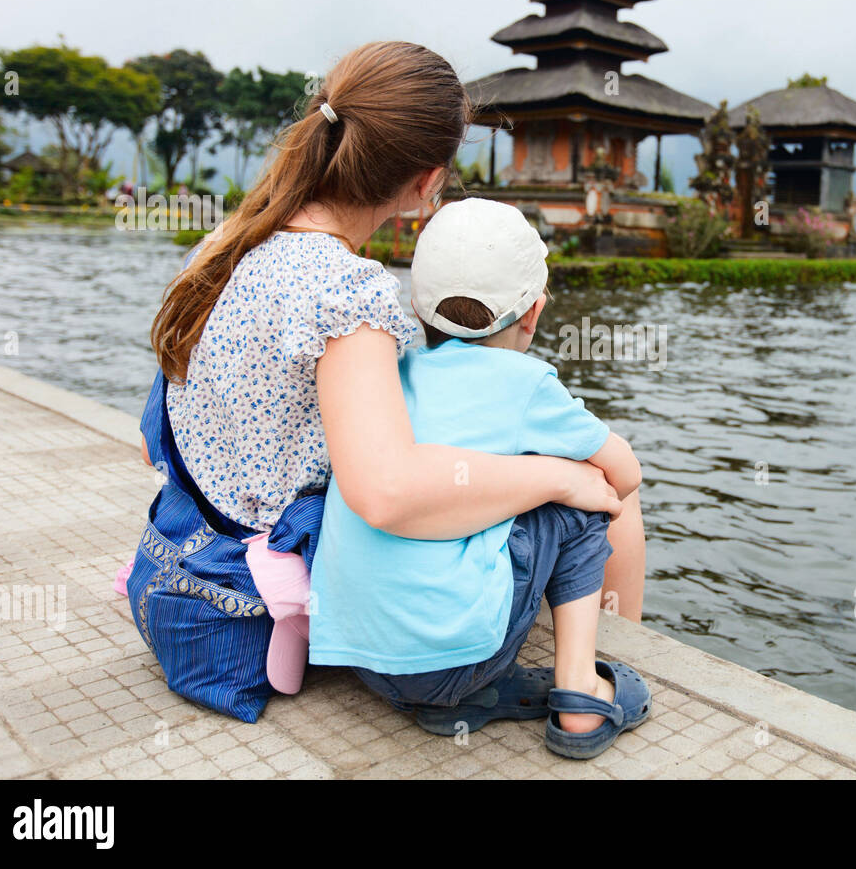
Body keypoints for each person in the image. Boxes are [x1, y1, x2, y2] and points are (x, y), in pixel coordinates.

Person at [129, 41, 641, 724]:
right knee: (597, 485)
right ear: (429, 181)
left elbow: (152, 443)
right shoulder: (348, 291)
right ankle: (604, 663)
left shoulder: (226, 244)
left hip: (184, 558)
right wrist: (556, 476)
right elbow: (387, 492)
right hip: (272, 594)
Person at [311, 198, 651, 758]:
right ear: (534, 313)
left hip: (363, 662)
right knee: (588, 493)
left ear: (417, 309)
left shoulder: (390, 374)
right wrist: (564, 467)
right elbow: (627, 472)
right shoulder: (528, 384)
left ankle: (461, 697)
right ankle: (581, 692)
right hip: (455, 660)